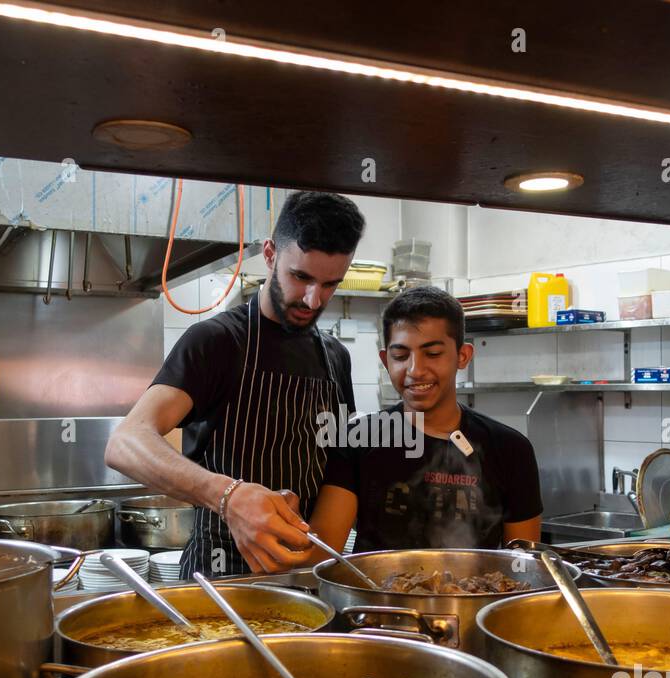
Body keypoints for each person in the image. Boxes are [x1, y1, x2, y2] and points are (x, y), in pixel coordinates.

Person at [105, 191, 366, 576]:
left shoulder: (334, 358)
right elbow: (126, 442)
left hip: (303, 577)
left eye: (330, 285)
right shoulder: (217, 342)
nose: (313, 300)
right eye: (301, 277)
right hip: (220, 577)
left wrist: (315, 559)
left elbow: (341, 468)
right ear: (270, 254)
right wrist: (228, 496)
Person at [308, 286, 542, 553]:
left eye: (432, 354)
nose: (415, 370)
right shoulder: (358, 440)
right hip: (374, 593)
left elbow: (524, 561)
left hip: (478, 594)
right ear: (386, 361)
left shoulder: (510, 449)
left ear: (462, 356)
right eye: (400, 356)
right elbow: (320, 551)